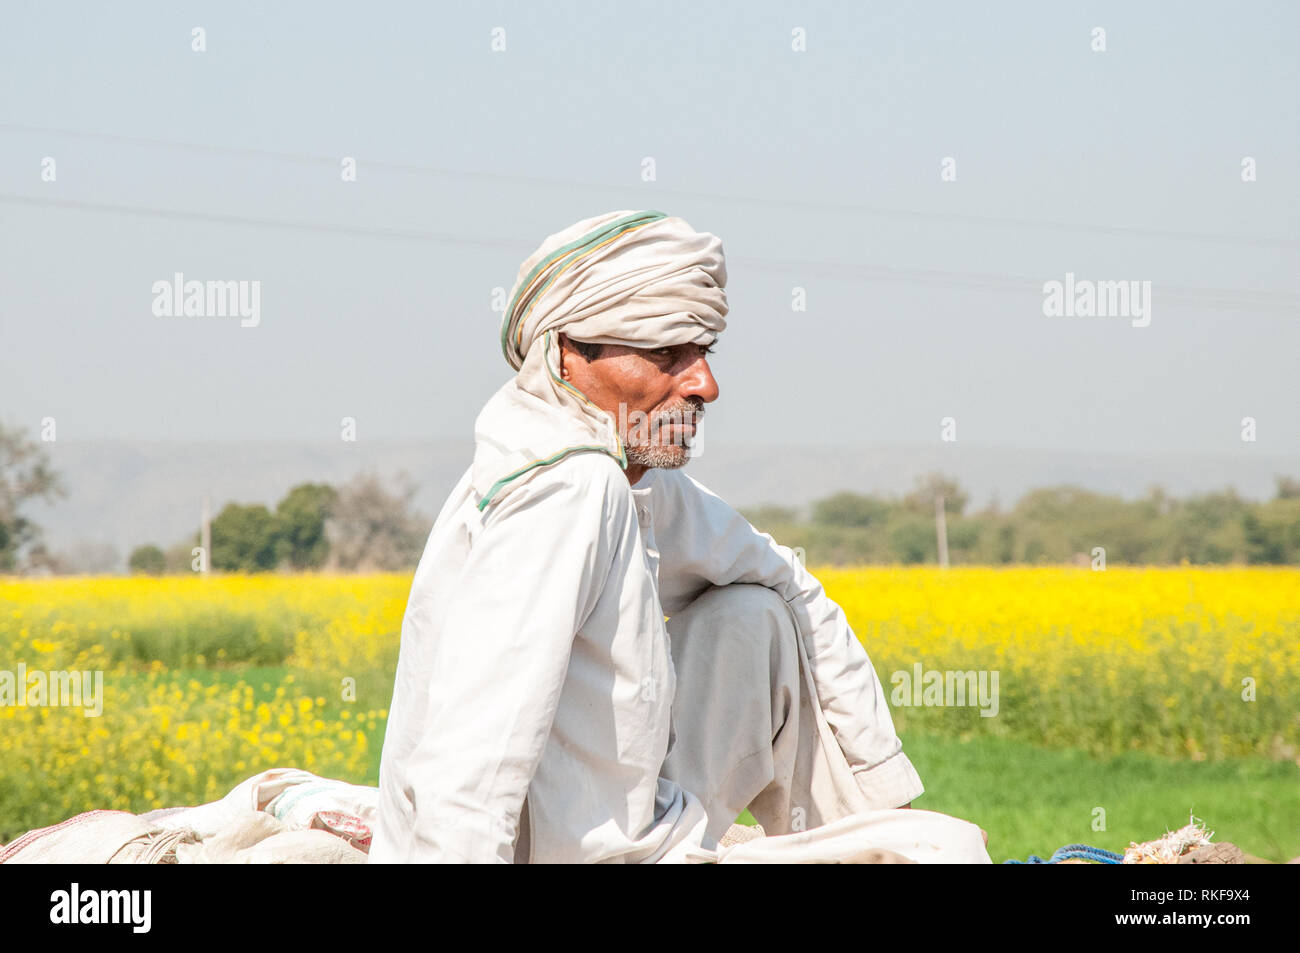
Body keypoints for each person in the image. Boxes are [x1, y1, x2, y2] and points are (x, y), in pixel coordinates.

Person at [370, 209, 991, 864]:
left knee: (758, 617)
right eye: (664, 353)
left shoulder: (627, 476)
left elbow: (786, 578)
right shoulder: (570, 489)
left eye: (702, 352)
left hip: (632, 825)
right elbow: (468, 770)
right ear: (564, 355)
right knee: (946, 850)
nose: (705, 384)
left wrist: (887, 806)